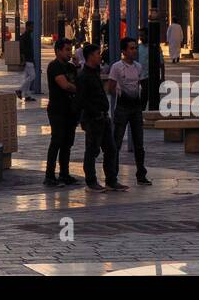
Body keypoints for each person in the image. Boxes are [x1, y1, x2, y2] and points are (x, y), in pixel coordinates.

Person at [77, 43, 127, 192]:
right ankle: (91, 181)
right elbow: (82, 100)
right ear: (90, 56)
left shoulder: (95, 72)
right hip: (93, 119)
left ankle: (111, 180)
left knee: (111, 149)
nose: (100, 56)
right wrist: (89, 116)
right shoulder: (84, 75)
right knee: (92, 150)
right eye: (98, 53)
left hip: (103, 118)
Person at [107, 36, 150, 185]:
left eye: (135, 48)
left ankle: (141, 174)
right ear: (124, 51)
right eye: (131, 48)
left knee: (139, 142)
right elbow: (110, 87)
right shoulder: (117, 67)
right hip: (122, 107)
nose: (134, 51)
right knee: (117, 141)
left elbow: (141, 84)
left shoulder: (138, 67)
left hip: (136, 108)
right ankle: (113, 175)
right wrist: (121, 93)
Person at [44, 39, 80, 186]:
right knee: (57, 141)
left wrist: (78, 66)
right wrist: (79, 89)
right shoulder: (54, 66)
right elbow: (65, 85)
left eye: (70, 49)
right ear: (58, 51)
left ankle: (64, 173)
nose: (69, 52)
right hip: (57, 109)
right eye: (66, 49)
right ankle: (49, 175)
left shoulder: (71, 67)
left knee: (67, 143)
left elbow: (77, 82)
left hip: (70, 109)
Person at [16, 21, 37, 101]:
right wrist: (23, 60)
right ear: (27, 27)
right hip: (27, 59)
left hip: (30, 59)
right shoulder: (25, 37)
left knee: (27, 77)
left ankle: (27, 95)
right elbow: (22, 50)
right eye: (31, 27)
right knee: (32, 76)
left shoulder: (28, 36)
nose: (32, 28)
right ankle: (19, 90)